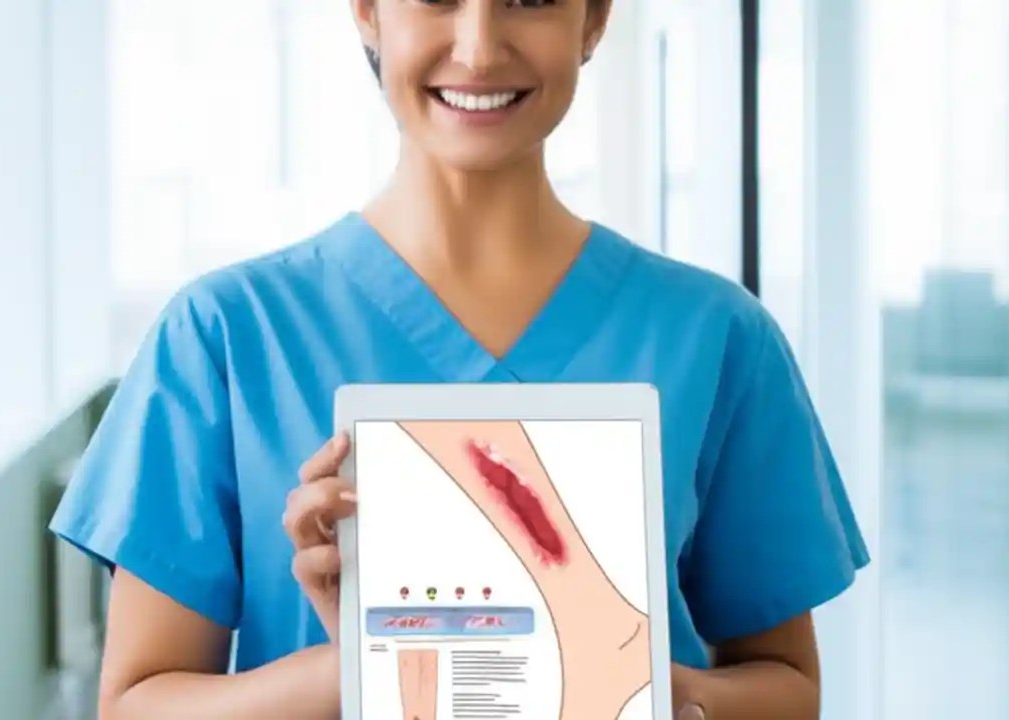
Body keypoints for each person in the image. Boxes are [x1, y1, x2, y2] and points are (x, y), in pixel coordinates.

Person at [48, 0, 870, 718]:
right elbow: (140, 703)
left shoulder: (716, 336)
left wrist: (628, 686)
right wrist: (371, 667)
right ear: (368, 11)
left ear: (594, 19)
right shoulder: (224, 336)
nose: (478, 48)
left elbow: (786, 686)